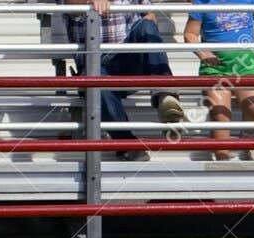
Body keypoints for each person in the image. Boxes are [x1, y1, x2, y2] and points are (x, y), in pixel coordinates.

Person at [63, 0, 185, 160]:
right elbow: (68, 2)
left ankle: (165, 95)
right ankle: (127, 145)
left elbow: (149, 13)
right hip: (95, 62)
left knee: (147, 25)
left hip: (127, 57)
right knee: (96, 78)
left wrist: (149, 17)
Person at [185, 0, 254, 160]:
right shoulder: (202, 2)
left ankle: (249, 137)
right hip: (215, 67)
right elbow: (190, 34)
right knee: (220, 117)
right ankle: (221, 161)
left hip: (245, 63)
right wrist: (203, 53)